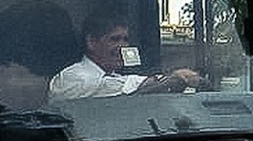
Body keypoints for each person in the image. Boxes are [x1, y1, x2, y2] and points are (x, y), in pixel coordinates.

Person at [49, 11, 203, 100]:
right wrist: (172, 78)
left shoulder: (114, 77)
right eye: (114, 39)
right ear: (91, 42)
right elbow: (113, 87)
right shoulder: (72, 77)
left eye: (125, 39)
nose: (123, 46)